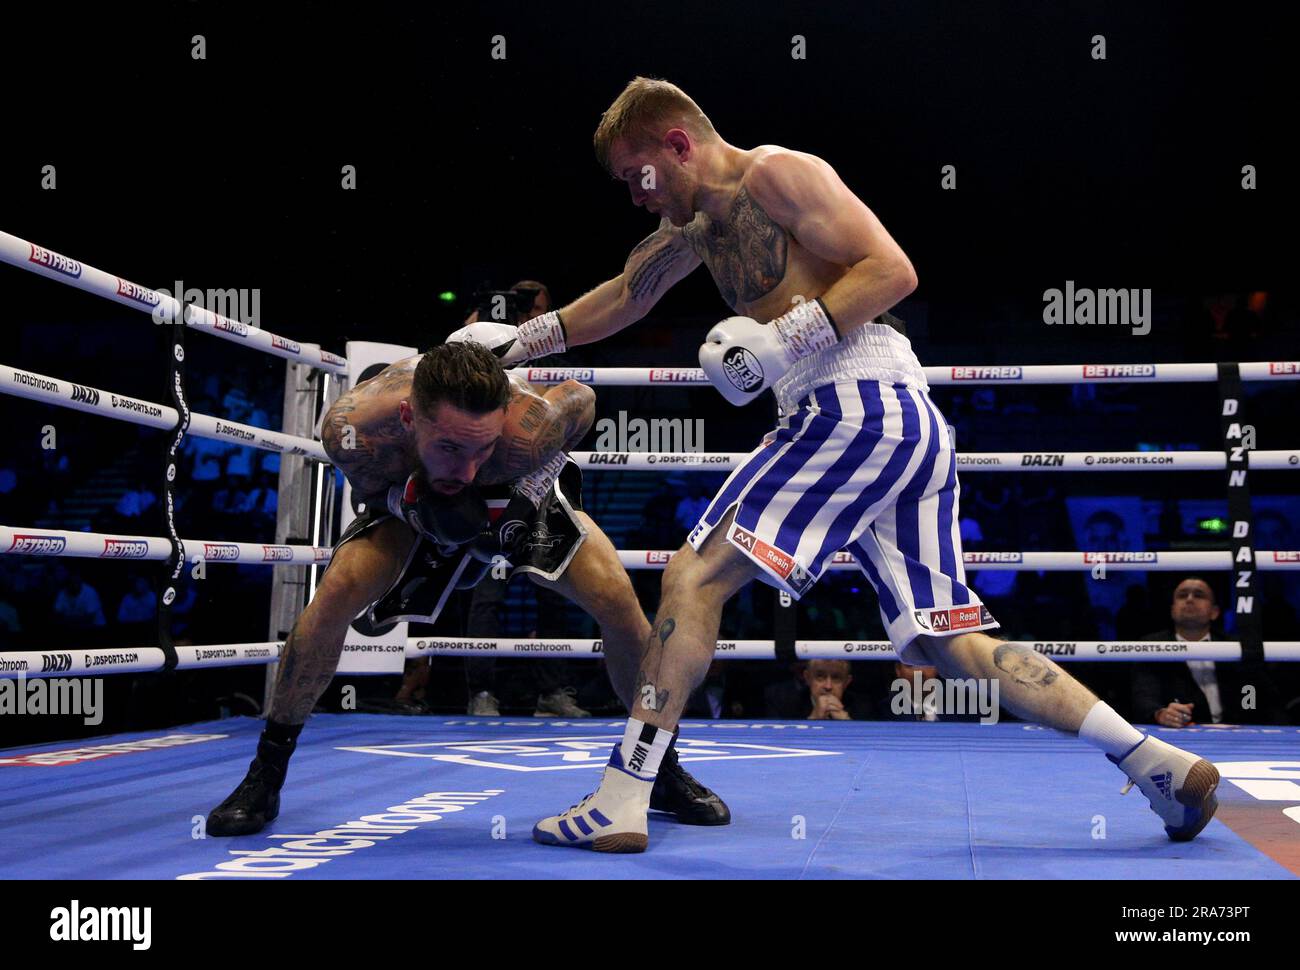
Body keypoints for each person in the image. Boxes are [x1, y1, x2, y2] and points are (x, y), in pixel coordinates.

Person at [448, 77, 1220, 852]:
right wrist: (514, 344)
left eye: (635, 174)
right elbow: (624, 295)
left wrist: (784, 341)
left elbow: (892, 269)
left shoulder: (777, 173)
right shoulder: (692, 228)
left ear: (677, 143)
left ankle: (622, 796)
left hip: (852, 402)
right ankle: (1154, 760)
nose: (635, 195)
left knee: (694, 576)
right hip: (898, 422)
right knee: (949, 641)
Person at [205, 341, 728, 835]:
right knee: (337, 589)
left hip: (518, 494)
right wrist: (412, 505)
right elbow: (370, 492)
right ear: (410, 417)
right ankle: (266, 774)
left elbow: (584, 400)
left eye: (482, 447)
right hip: (411, 503)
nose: (468, 466)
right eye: (451, 446)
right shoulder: (354, 429)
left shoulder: (524, 431)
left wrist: (520, 490)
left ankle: (658, 768)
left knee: (617, 598)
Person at [1131, 577, 1280, 727]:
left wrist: (1250, 716)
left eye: (1199, 595)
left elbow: (1257, 694)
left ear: (1214, 612)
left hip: (1236, 734)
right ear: (1172, 610)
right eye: (1182, 595)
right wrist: (1160, 713)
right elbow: (1143, 694)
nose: (1189, 599)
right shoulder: (1152, 646)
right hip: (1180, 734)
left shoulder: (1235, 647)